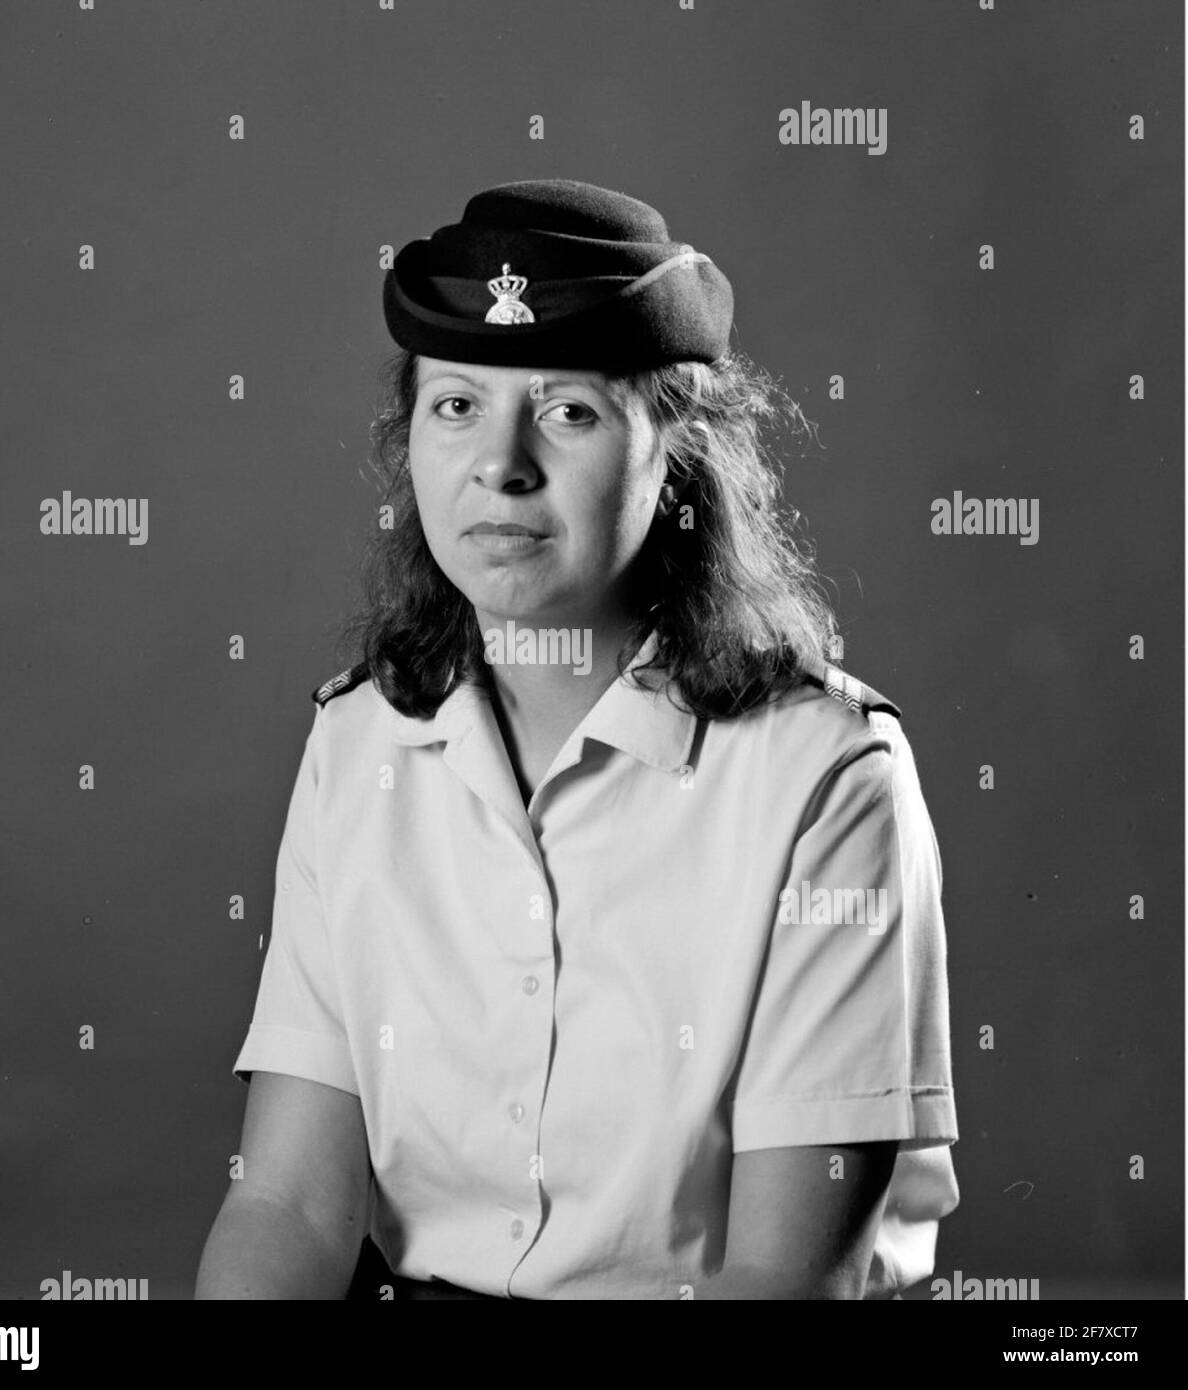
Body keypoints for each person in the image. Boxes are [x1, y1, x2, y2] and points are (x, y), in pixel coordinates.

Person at [194, 178, 959, 1301]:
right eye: (455, 404)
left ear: (676, 454)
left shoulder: (825, 777)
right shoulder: (358, 741)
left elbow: (783, 1279)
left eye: (569, 411)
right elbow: (289, 1207)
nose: (499, 465)